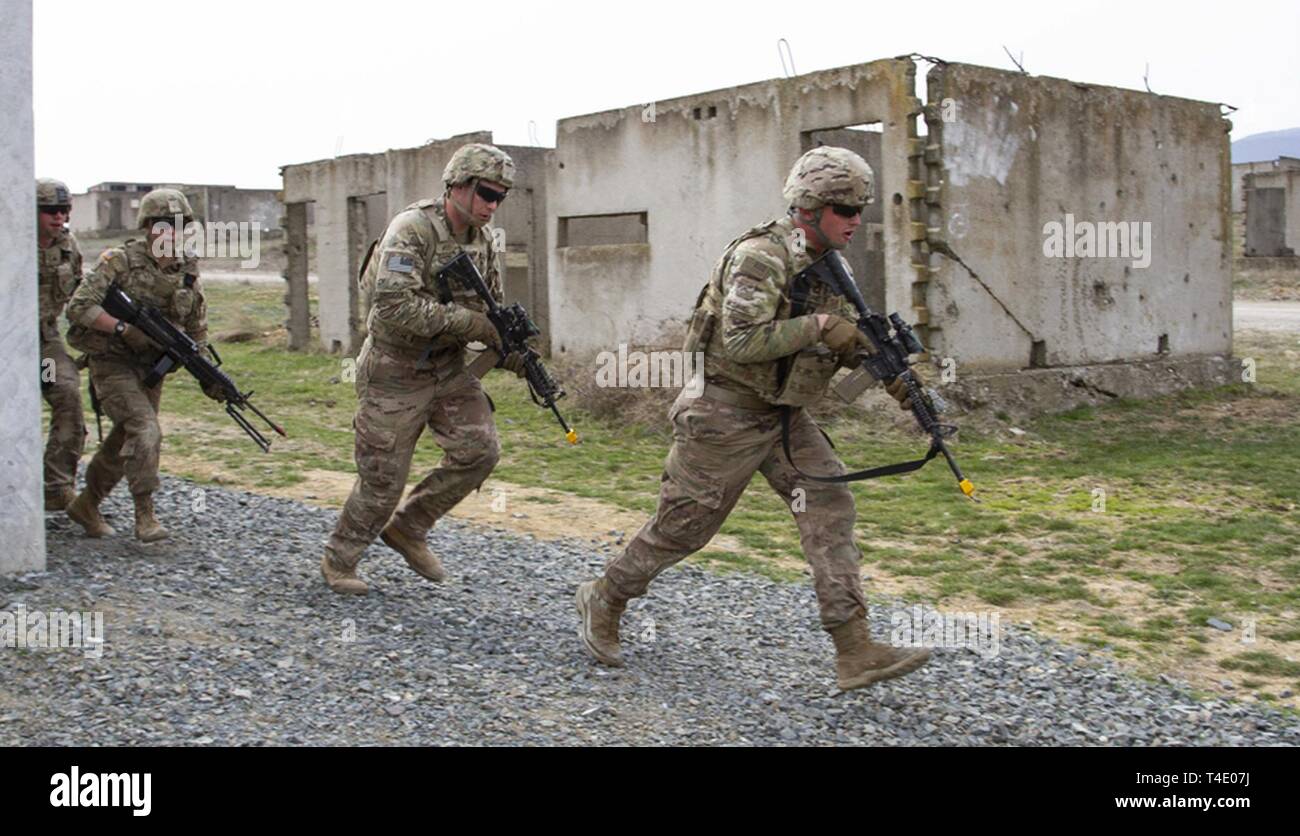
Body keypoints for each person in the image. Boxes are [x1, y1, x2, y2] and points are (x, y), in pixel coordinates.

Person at [575, 146, 931, 690]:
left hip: (783, 417)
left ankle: (854, 648)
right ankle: (605, 597)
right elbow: (742, 341)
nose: (858, 220)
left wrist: (890, 376)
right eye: (846, 210)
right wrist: (817, 328)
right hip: (724, 412)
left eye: (862, 210)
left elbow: (838, 339)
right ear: (809, 208)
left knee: (830, 507)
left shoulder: (832, 265)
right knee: (683, 529)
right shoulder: (762, 257)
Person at [320, 143, 525, 595]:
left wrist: (508, 347)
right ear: (458, 185)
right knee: (382, 480)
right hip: (394, 370)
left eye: (501, 197)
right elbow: (394, 307)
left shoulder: (485, 241)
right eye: (487, 193)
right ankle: (341, 559)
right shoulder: (412, 229)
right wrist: (473, 324)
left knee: (479, 451)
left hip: (448, 368)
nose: (493, 205)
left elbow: (487, 309)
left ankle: (410, 527)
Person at [65, 188, 216, 542]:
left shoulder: (187, 272)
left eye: (180, 225)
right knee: (146, 431)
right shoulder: (118, 261)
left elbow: (197, 329)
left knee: (125, 438)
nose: (172, 232)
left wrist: (208, 374)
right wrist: (122, 328)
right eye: (164, 224)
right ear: (147, 227)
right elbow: (78, 307)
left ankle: (87, 504)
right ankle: (145, 515)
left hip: (151, 369)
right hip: (112, 361)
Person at [35, 178, 86, 511]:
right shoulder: (8, 240)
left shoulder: (69, 247)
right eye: (50, 210)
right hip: (7, 339)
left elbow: (81, 298)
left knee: (66, 392)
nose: (58, 217)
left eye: (64, 210)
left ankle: (56, 487)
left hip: (43, 346)